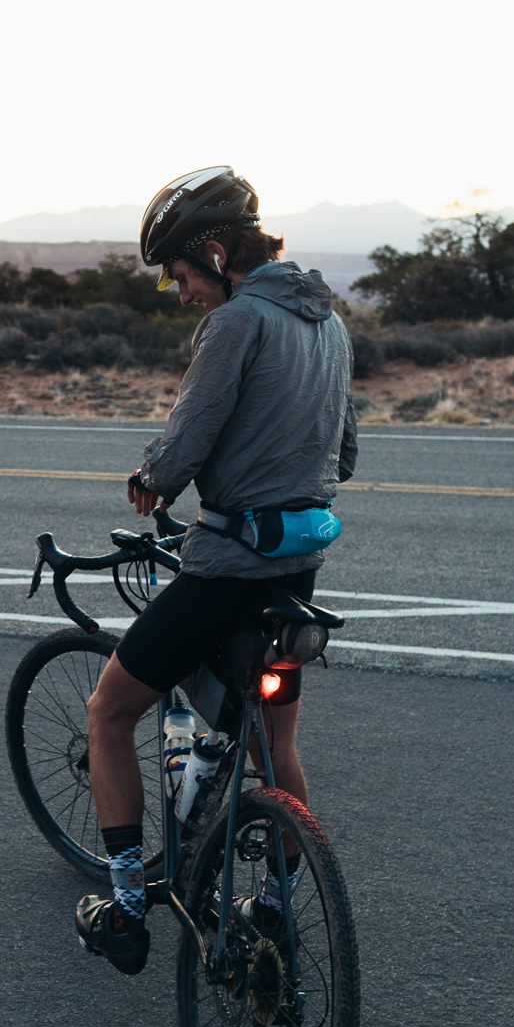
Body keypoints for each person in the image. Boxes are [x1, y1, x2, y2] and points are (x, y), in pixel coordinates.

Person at [75, 165, 358, 974]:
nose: (178, 290)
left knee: (109, 712)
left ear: (218, 252)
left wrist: (151, 479)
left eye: (181, 273)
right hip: (298, 569)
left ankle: (127, 905)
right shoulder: (330, 325)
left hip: (226, 565)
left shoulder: (237, 323)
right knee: (275, 739)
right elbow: (344, 453)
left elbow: (188, 438)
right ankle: (272, 903)